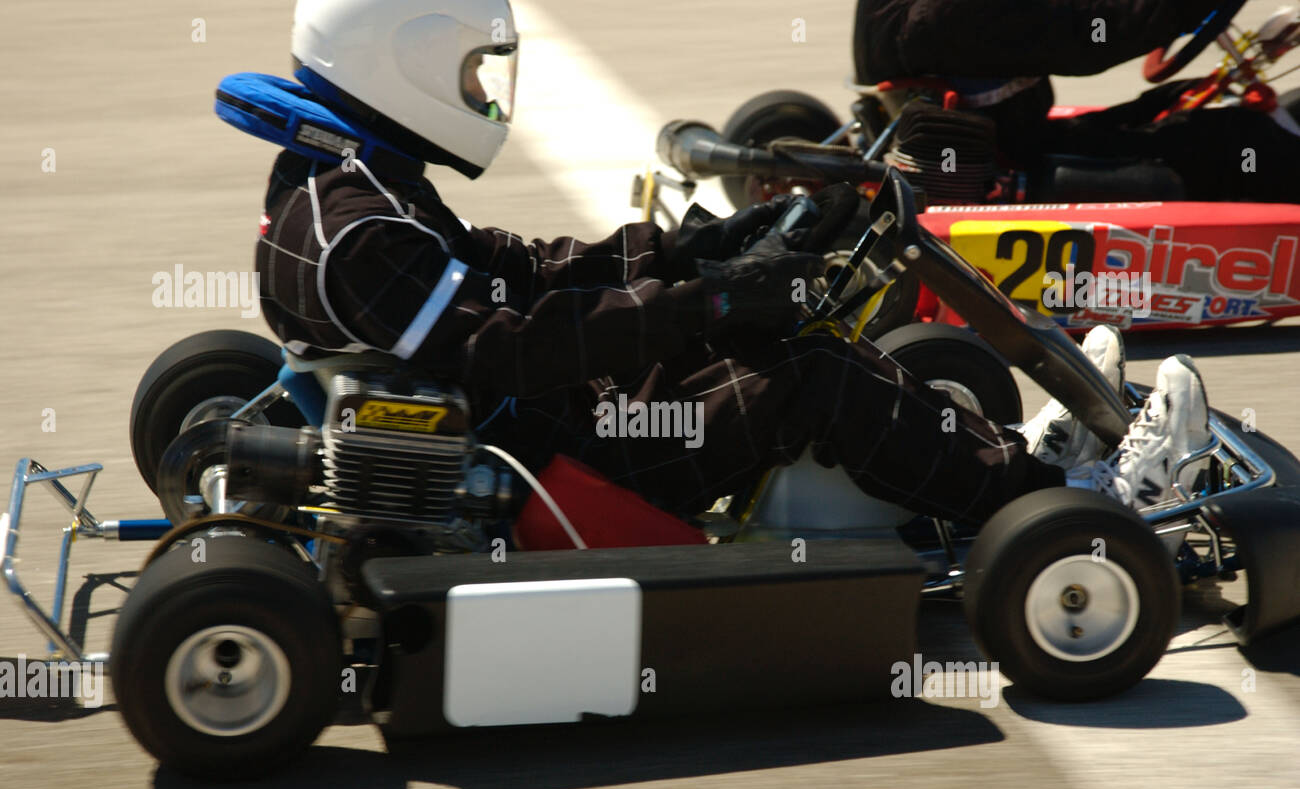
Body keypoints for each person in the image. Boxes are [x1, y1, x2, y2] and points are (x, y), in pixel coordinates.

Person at [255, 0, 1208, 530]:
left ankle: (996, 460)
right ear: (400, 68)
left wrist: (689, 251)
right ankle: (1070, 509)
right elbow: (514, 347)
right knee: (807, 370)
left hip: (543, 417)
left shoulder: (338, 186)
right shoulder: (363, 233)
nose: (482, 96)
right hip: (560, 457)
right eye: (470, 75)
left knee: (774, 319)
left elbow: (512, 272)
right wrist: (707, 301)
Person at [853, 0, 1300, 202]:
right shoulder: (953, 14)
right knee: (1237, 141)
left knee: (1177, 102)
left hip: (1014, 135)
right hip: (1012, 161)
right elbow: (1095, 35)